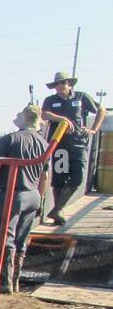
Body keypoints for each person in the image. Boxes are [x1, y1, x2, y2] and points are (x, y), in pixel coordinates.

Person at [0, 104, 47, 294]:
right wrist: (40, 199)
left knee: (5, 237)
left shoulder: (9, 140)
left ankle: (4, 283)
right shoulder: (43, 143)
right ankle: (15, 282)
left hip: (12, 195)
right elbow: (44, 176)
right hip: (33, 194)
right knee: (21, 239)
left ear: (22, 119)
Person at [40, 71, 105, 224]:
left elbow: (101, 110)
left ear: (69, 83)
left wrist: (94, 129)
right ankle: (59, 212)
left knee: (77, 178)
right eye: (57, 83)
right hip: (59, 145)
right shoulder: (50, 100)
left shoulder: (81, 97)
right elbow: (44, 114)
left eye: (63, 82)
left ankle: (57, 209)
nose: (60, 86)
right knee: (59, 179)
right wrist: (62, 119)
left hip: (78, 144)